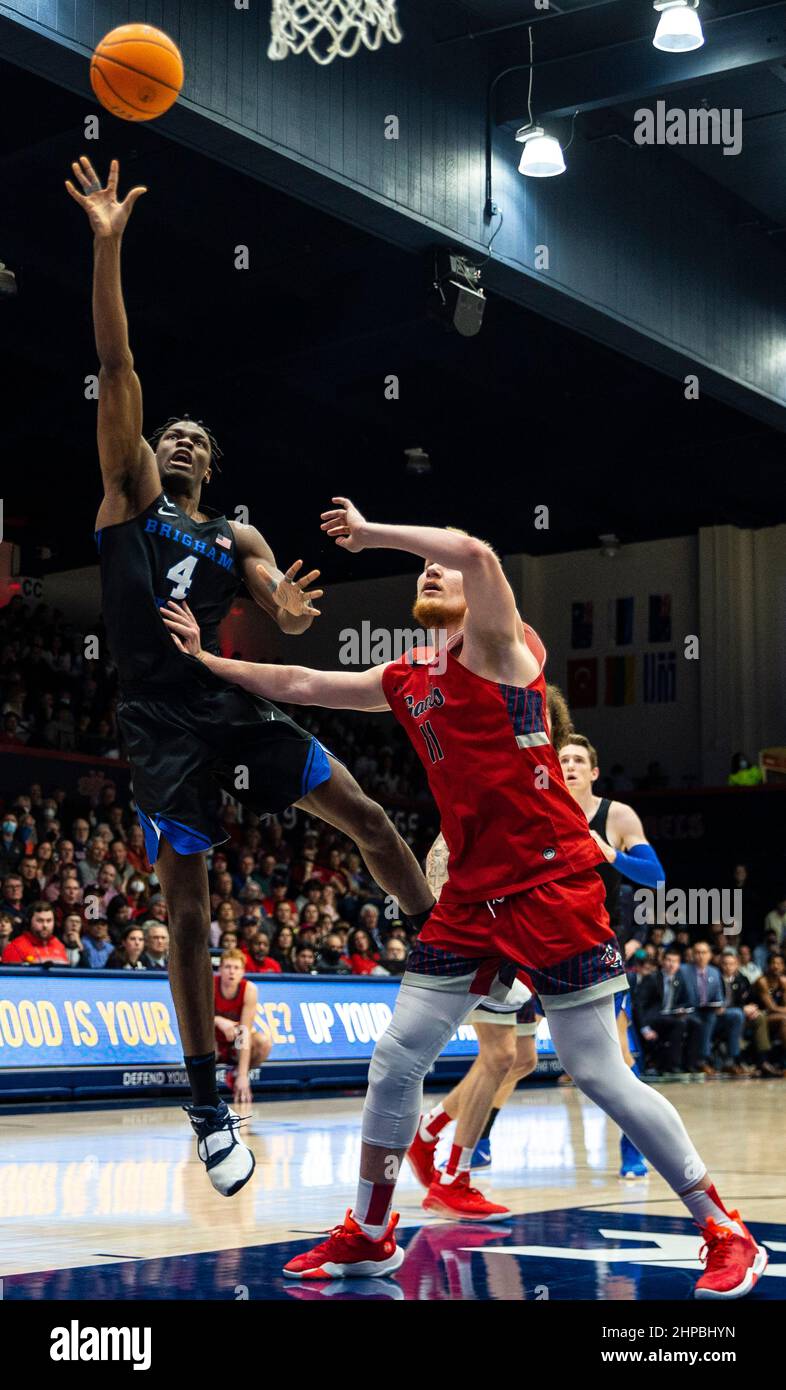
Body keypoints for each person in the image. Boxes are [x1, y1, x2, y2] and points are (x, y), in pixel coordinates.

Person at [163, 498, 766, 1296]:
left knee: (598, 1072)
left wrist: (375, 534)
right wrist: (210, 662)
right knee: (395, 1059)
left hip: (551, 886)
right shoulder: (407, 677)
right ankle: (372, 1232)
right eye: (421, 568)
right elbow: (304, 680)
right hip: (471, 899)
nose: (433, 569)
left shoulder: (500, 647)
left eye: (439, 564)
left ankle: (725, 1230)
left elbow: (478, 553)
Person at [69, 154, 437, 1195]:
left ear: (213, 464)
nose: (175, 438)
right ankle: (203, 1098)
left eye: (195, 436)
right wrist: (108, 248)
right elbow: (118, 359)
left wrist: (283, 609)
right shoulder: (127, 501)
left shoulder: (234, 530)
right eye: (166, 431)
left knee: (366, 811)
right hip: (159, 718)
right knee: (189, 912)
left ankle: (443, 948)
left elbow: (275, 590)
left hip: (230, 691)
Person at [409, 684, 572, 1187]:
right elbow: (440, 853)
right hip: (480, 936)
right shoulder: (494, 773)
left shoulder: (548, 784)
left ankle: (430, 1128)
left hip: (526, 941)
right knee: (499, 1055)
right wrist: (454, 927)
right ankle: (454, 1174)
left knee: (521, 1058)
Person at [558, 733, 666, 1177]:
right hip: (546, 946)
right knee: (510, 1055)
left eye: (579, 760)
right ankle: (471, 1146)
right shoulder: (540, 812)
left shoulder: (615, 815)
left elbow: (655, 876)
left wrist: (610, 854)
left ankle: (634, 1152)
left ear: (594, 771)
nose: (569, 766)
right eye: (562, 758)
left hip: (600, 951)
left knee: (619, 1053)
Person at [214, 949, 271, 1105]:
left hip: (237, 1041)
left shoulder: (249, 989)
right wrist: (218, 1019)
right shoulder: (210, 985)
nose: (231, 972)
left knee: (263, 1042)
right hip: (214, 1041)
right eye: (227, 967)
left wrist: (243, 1075)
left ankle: (236, 1072)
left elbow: (244, 1031)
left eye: (236, 968)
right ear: (220, 969)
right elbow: (198, 1020)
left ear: (243, 971)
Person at [634, 945, 698, 1074]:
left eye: (675, 961)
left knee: (696, 1023)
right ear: (663, 961)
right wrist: (645, 1028)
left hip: (670, 1015)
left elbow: (687, 1001)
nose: (671, 964)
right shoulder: (652, 978)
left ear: (679, 964)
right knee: (678, 1024)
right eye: (668, 960)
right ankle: (673, 1065)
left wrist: (682, 1009)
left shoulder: (679, 979)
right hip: (653, 1018)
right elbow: (638, 1005)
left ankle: (691, 1064)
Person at [679, 940, 725, 1076]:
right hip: (690, 1011)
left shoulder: (715, 972)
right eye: (697, 952)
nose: (700, 956)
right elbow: (677, 994)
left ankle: (732, 1059)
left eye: (704, 952)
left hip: (709, 1010)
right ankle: (702, 1060)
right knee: (705, 1020)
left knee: (736, 1015)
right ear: (692, 955)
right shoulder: (683, 970)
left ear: (710, 955)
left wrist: (720, 1005)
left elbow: (719, 996)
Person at [2, 902, 68, 965]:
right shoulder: (15, 948)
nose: (45, 925)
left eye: (49, 920)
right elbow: (11, 976)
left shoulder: (59, 945)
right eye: (40, 921)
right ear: (29, 921)